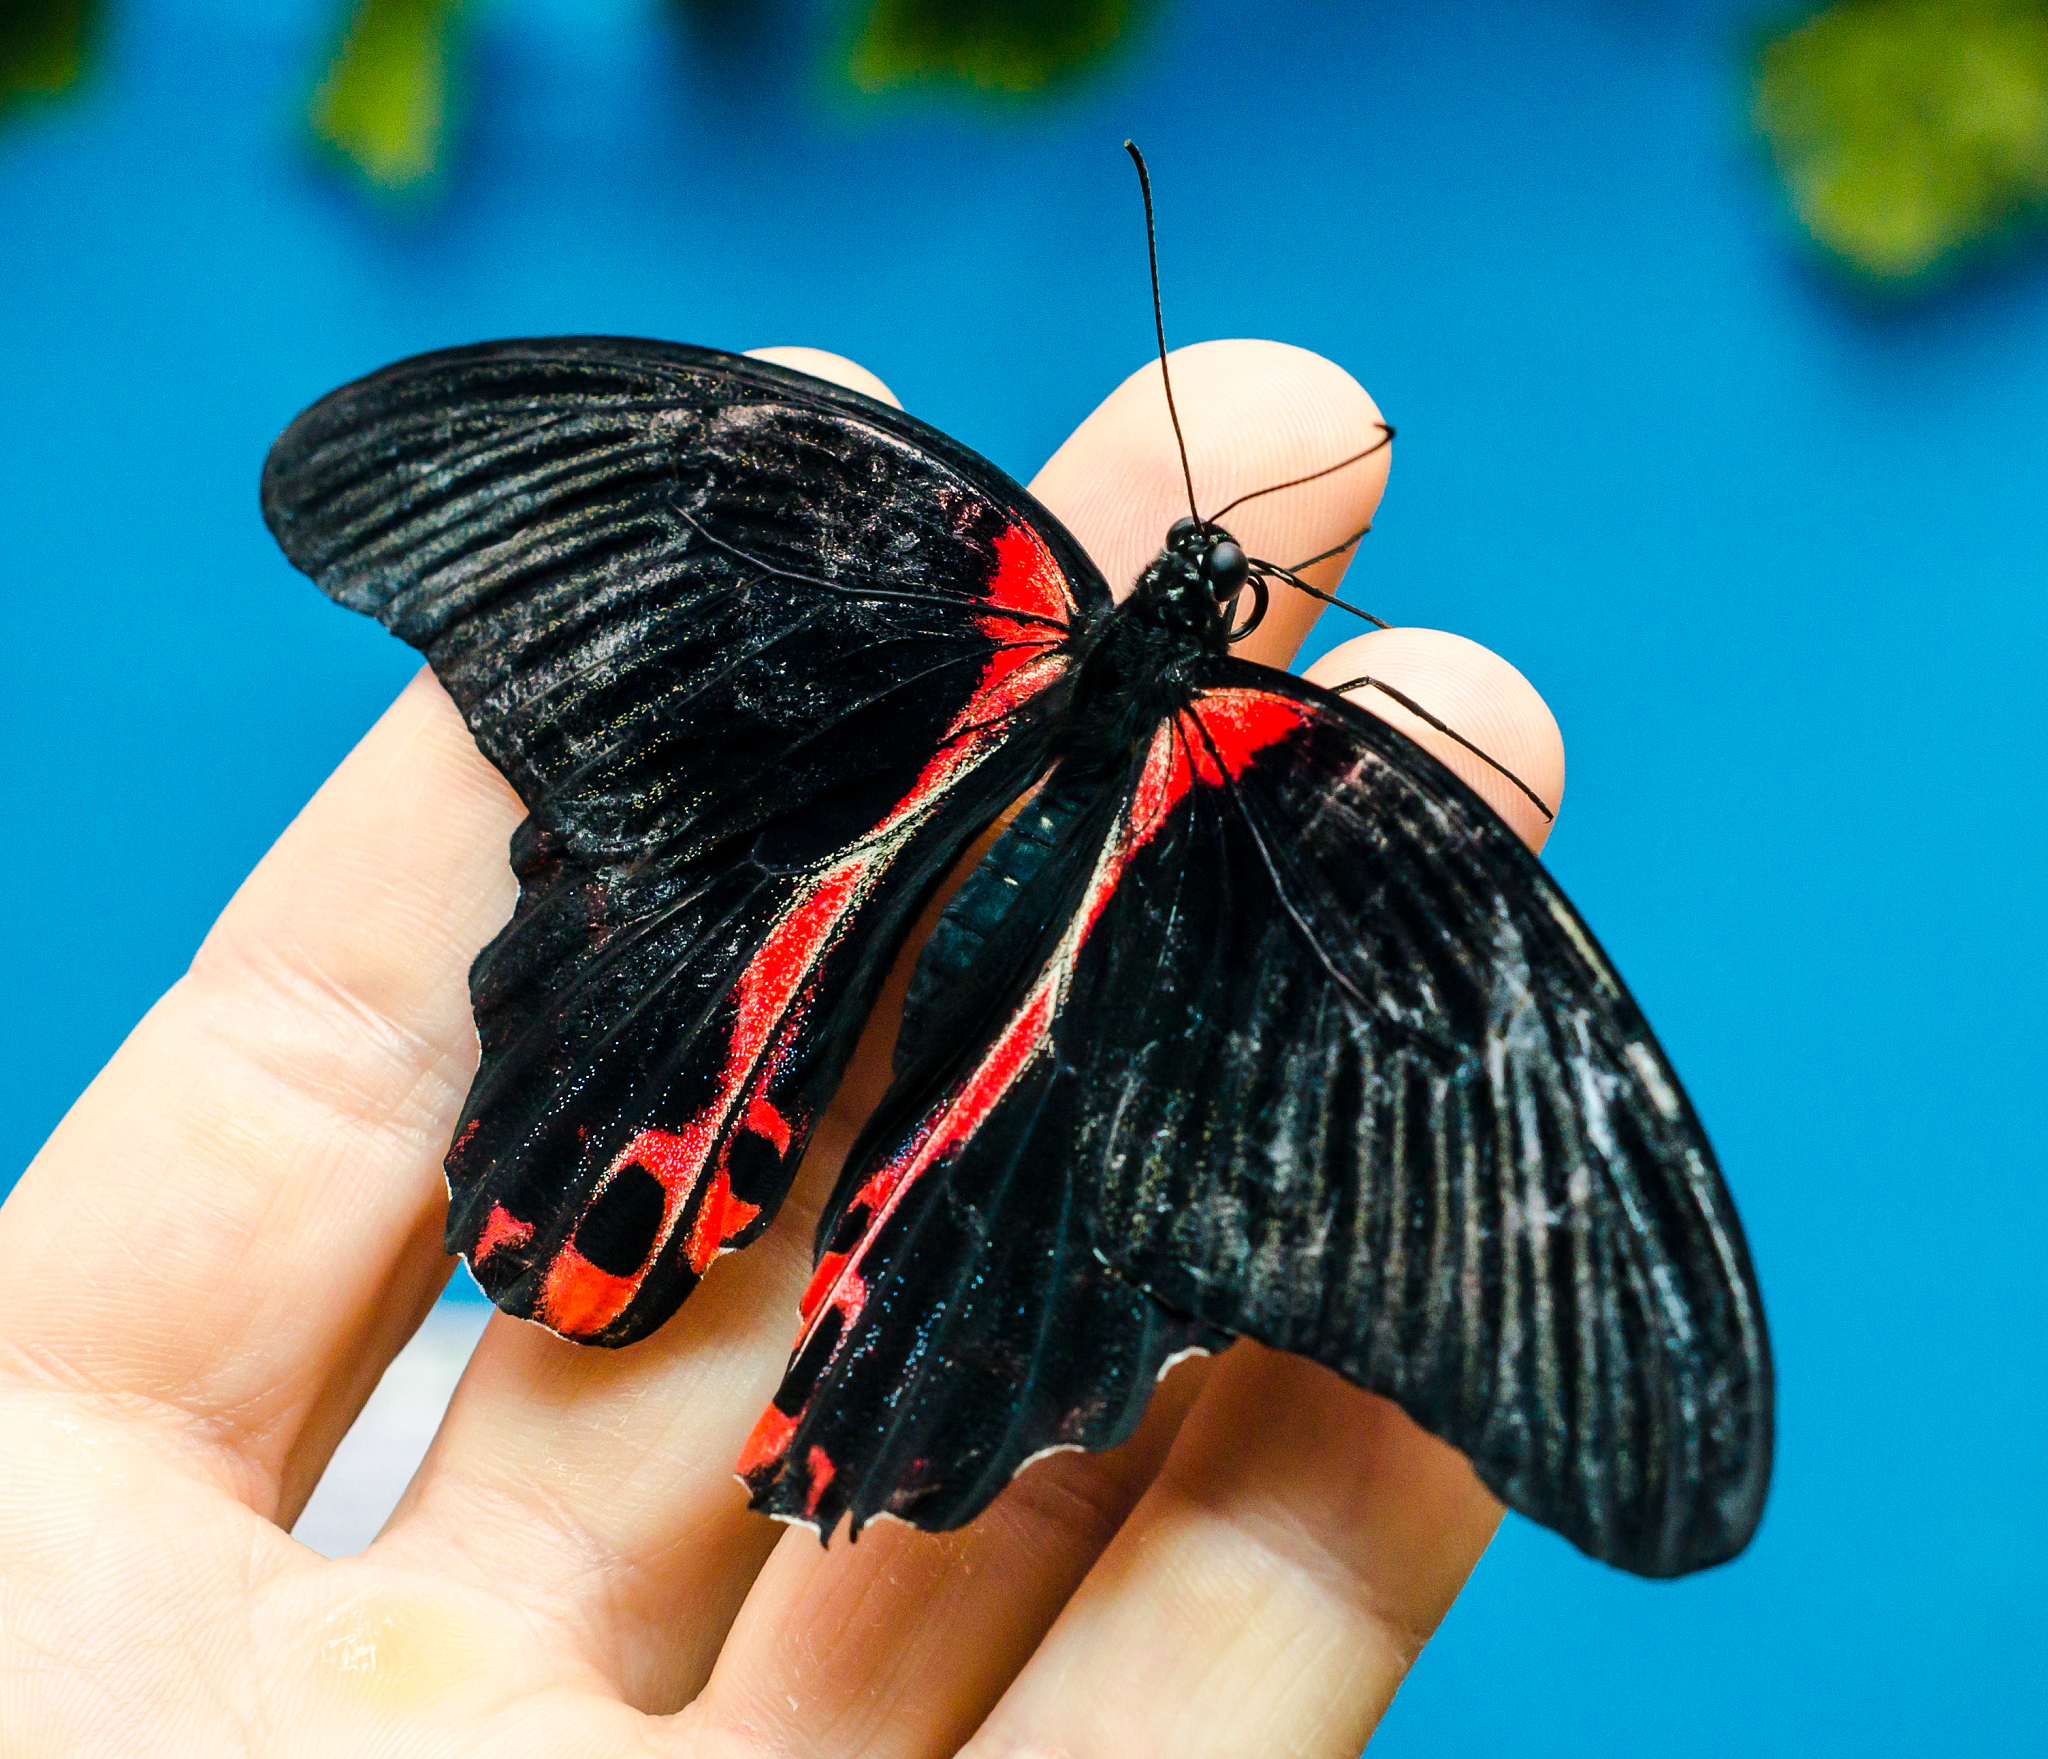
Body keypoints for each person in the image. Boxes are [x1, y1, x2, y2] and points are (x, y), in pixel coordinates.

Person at [0, 338, 1564, 1757]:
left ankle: (729, 1288)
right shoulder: (1266, 784)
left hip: (804, 896)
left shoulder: (999, 585)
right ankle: (783, 1324)